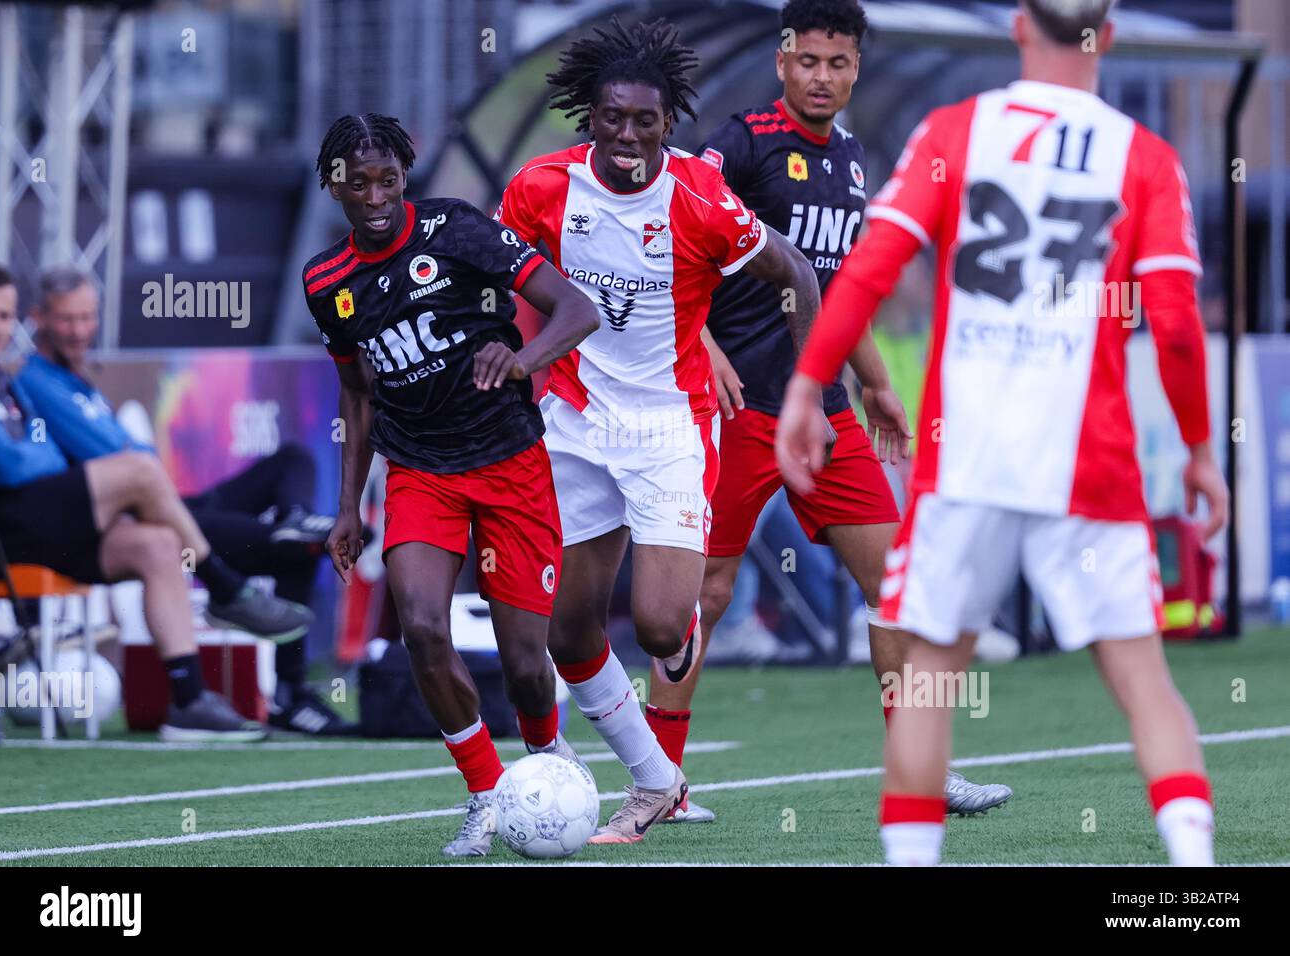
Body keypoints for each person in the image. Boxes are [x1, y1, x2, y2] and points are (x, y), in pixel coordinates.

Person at [775, 0, 1227, 865]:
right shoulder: (1146, 157)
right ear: (1110, 35)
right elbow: (1173, 325)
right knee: (1145, 685)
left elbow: (867, 270)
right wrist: (1202, 453)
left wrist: (806, 386)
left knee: (933, 680)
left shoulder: (956, 131)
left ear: (1020, 26)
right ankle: (1195, 882)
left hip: (968, 463)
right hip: (1087, 466)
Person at [649, 0, 1011, 820]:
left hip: (824, 412)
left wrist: (877, 381)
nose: (822, 75)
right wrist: (698, 341)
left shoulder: (850, 158)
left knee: (896, 586)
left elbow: (839, 288)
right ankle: (662, 782)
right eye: (807, 60)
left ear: (856, 68)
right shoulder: (737, 145)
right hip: (736, 406)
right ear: (782, 62)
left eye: (837, 62)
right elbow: (667, 242)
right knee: (700, 596)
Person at [496, 16, 825, 843]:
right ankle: (655, 784)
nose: (630, 134)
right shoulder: (540, 188)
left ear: (669, 123)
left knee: (658, 625)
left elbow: (797, 273)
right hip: (572, 422)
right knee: (567, 632)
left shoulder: (701, 199)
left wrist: (810, 392)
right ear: (591, 116)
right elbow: (505, 286)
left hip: (670, 427)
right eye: (615, 117)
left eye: (647, 120)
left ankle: (665, 705)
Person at [311, 114, 600, 857]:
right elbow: (358, 396)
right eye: (356, 181)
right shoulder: (327, 282)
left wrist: (525, 358)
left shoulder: (456, 229)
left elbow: (577, 308)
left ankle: (549, 766)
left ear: (405, 178)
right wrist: (348, 506)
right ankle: (485, 796)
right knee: (423, 628)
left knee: (527, 670)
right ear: (333, 186)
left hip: (509, 462)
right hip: (420, 473)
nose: (374, 195)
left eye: (387, 179)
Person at [17, 267, 352, 735]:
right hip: (149, 518)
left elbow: (138, 459)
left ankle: (294, 521)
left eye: (87, 317)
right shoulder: (36, 382)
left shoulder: (77, 382)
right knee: (300, 549)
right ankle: (288, 692)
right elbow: (121, 461)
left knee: (293, 462)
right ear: (38, 319)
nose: (79, 330)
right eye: (67, 319)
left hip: (174, 504)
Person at [0, 262, 267, 741]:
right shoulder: (27, 378)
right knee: (139, 472)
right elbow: (12, 466)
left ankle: (189, 701)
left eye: (4, 316)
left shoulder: (4, 383)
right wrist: (36, 458)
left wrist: (34, 457)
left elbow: (42, 455)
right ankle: (223, 585)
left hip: (39, 525)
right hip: (4, 531)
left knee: (158, 545)